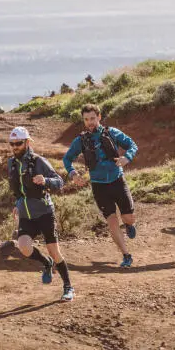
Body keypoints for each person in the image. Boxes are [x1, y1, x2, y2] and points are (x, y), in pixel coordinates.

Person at [63, 104, 139, 267]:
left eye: (92, 118)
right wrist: (73, 173)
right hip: (99, 186)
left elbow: (132, 145)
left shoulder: (112, 133)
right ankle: (126, 255)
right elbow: (67, 159)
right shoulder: (80, 141)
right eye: (86, 119)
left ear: (99, 117)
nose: (90, 122)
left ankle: (129, 224)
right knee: (111, 220)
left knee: (128, 217)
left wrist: (127, 157)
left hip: (117, 180)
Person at [7, 126, 75, 302]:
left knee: (54, 251)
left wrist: (45, 180)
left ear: (27, 142)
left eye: (18, 143)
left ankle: (68, 286)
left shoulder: (39, 161)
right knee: (23, 246)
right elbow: (18, 190)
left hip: (45, 212)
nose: (15, 147)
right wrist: (17, 203)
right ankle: (46, 263)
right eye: (12, 144)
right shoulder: (11, 163)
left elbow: (59, 182)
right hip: (26, 214)